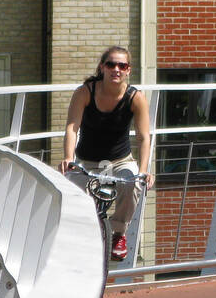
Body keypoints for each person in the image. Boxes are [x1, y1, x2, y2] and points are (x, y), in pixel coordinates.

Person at [61, 45, 153, 261]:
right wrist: (68, 158)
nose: (116, 69)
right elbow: (72, 127)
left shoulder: (135, 97)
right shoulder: (86, 91)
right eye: (111, 64)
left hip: (121, 160)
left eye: (122, 65)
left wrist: (143, 170)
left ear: (129, 70)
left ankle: (118, 233)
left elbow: (144, 137)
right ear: (102, 67)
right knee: (69, 189)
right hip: (87, 161)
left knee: (132, 184)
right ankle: (77, 235)